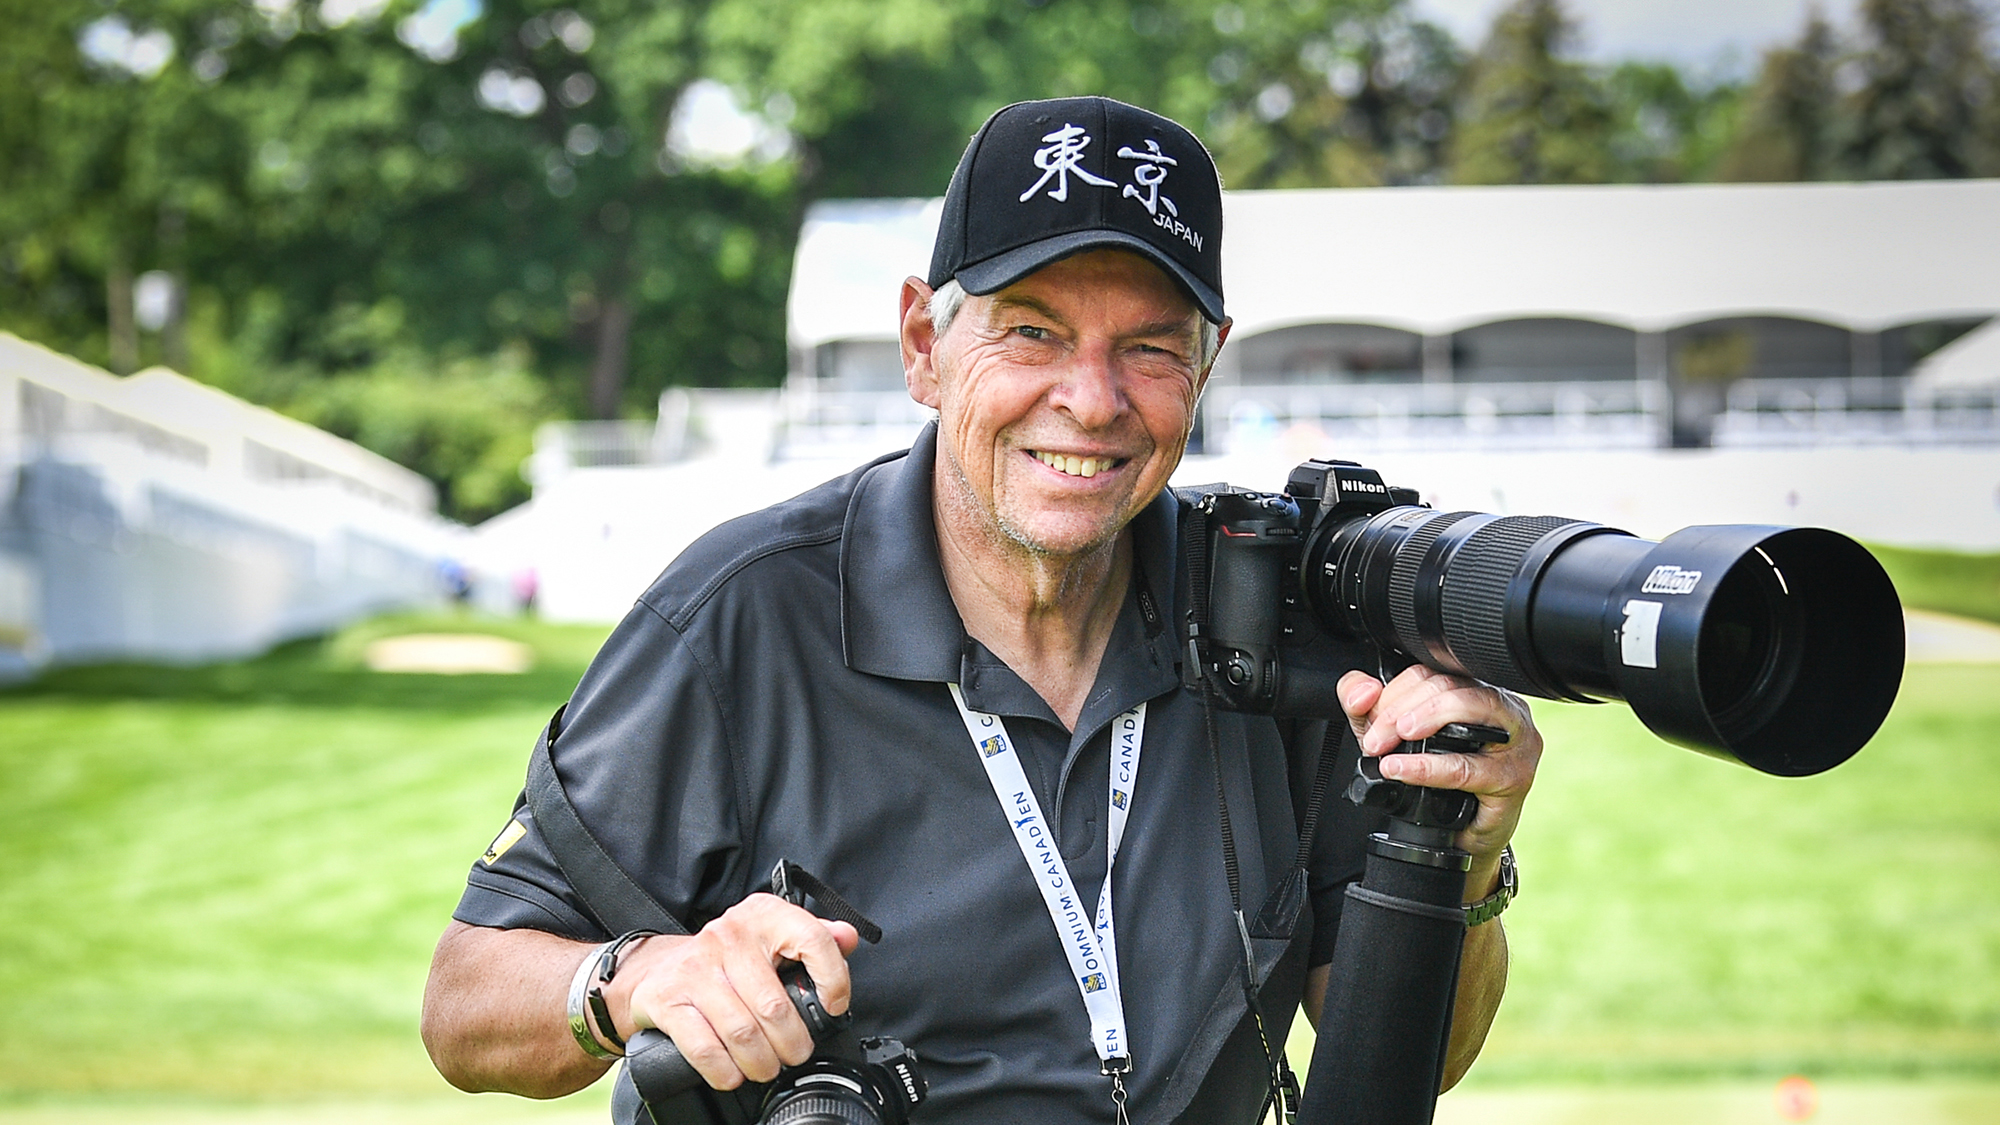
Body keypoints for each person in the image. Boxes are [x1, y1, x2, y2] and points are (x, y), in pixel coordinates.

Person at [421, 96, 1542, 1124]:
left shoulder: (1276, 619)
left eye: (1148, 348)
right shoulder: (740, 615)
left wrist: (1463, 859)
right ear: (923, 344)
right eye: (1033, 330)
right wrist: (634, 979)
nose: (1090, 401)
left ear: (1207, 367)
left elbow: (1412, 1053)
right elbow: (467, 1003)